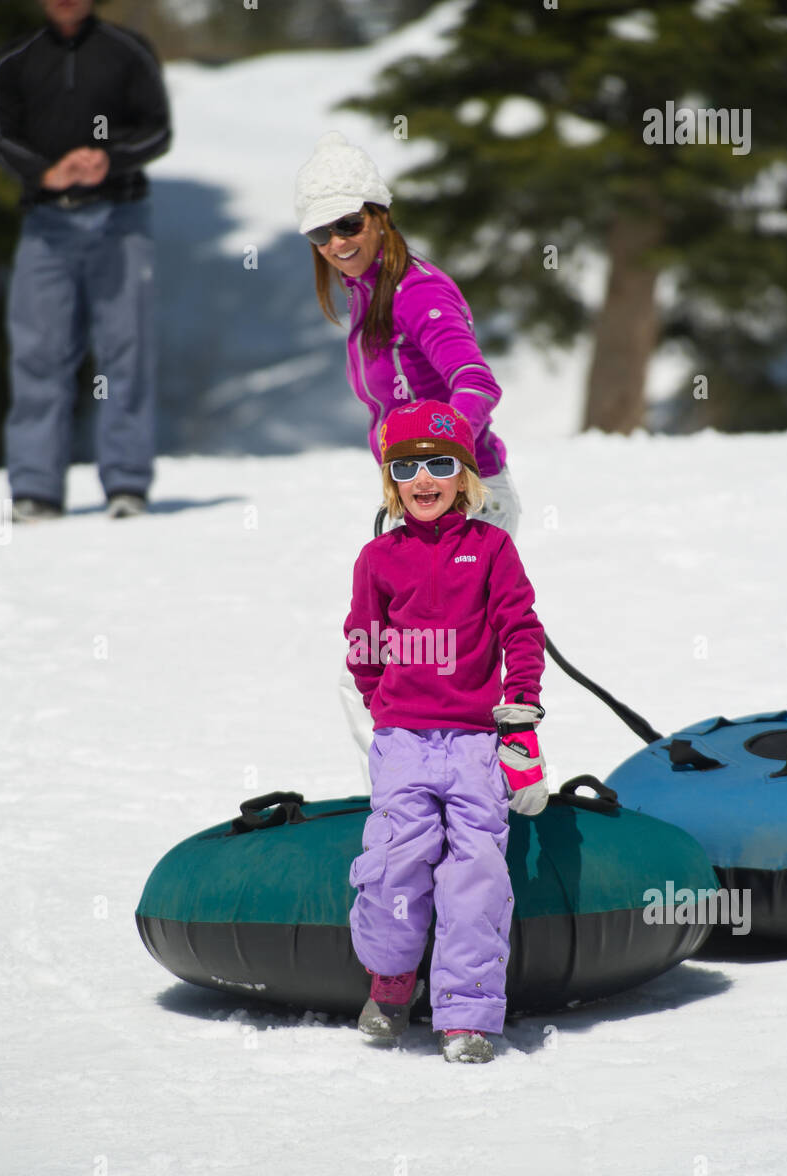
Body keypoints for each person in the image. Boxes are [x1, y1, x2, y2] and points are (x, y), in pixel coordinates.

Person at [344, 400, 548, 1064]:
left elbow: (521, 630)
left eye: (439, 464)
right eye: (406, 467)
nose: (423, 480)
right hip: (404, 737)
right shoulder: (377, 557)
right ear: (390, 481)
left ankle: (466, 1012)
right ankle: (391, 981)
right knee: (396, 857)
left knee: (478, 869)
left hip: (473, 741)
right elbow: (364, 643)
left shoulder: (491, 549)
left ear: (463, 475)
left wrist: (517, 713)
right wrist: (385, 712)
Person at [0, 0, 172, 521]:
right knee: (38, 354)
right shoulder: (15, 57)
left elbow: (157, 129)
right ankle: (35, 489)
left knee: (125, 351)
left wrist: (109, 158)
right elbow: (0, 135)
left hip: (121, 220)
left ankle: (127, 484)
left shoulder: (127, 51)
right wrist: (46, 172)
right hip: (46, 224)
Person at [295, 132, 520, 535]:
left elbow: (476, 381)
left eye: (348, 223)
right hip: (424, 497)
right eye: (319, 233)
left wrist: (438, 458)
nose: (336, 242)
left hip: (467, 500)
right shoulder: (366, 289)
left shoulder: (416, 292)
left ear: (380, 216)